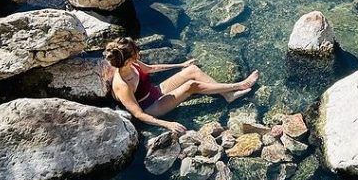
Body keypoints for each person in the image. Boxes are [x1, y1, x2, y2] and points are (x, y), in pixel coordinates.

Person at [103, 37, 259, 135]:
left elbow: (151, 69)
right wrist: (167, 124)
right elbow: (138, 114)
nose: (139, 53)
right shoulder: (121, 85)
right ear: (128, 60)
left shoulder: (132, 63)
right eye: (137, 52)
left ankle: (229, 96)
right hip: (152, 106)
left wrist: (181, 64)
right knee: (192, 85)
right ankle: (239, 85)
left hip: (156, 91)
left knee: (192, 70)